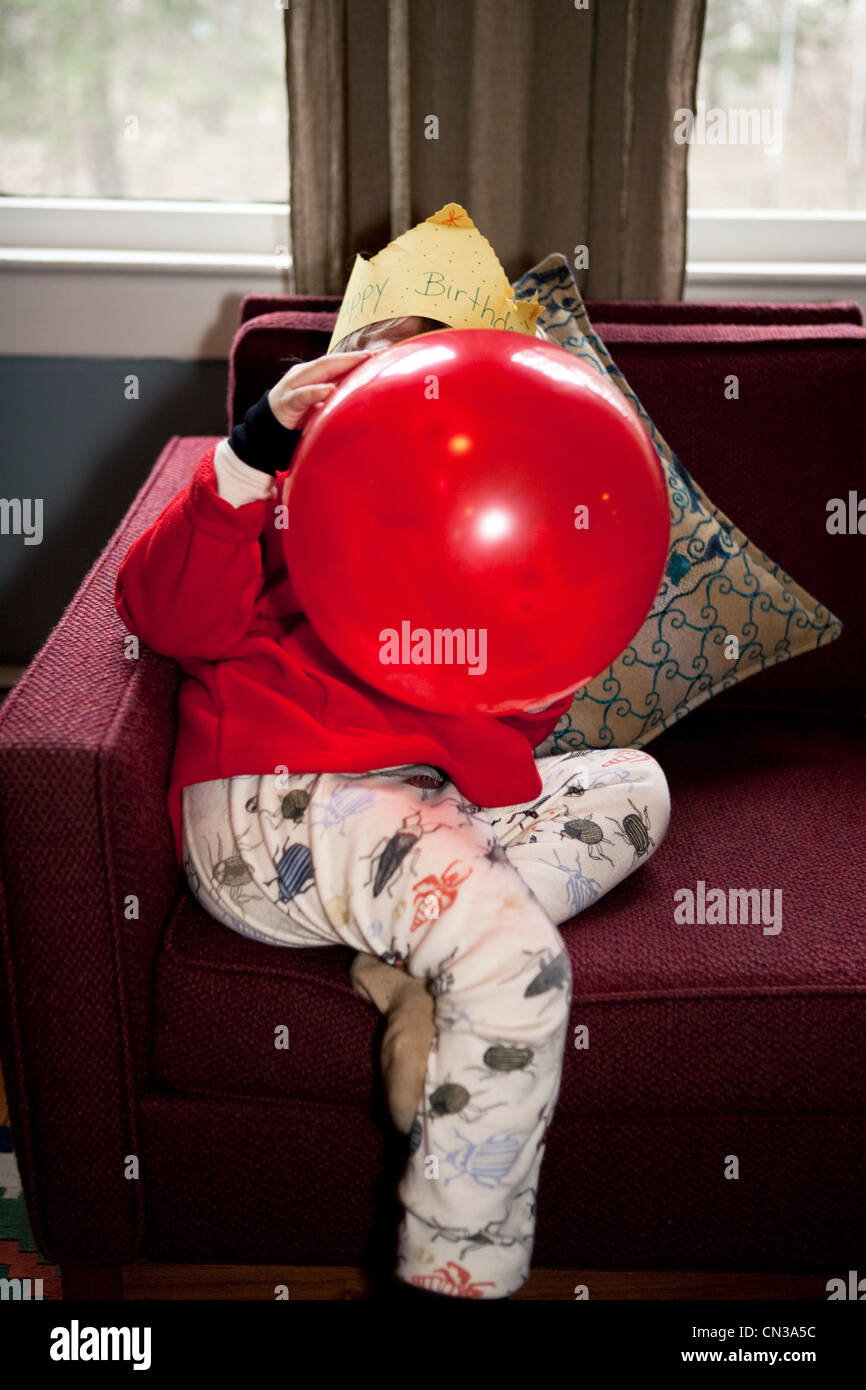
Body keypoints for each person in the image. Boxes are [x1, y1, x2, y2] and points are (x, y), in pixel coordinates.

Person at [114, 205, 671, 1300]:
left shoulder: (489, 520)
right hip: (274, 808)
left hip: (416, 810)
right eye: (382, 355)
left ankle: (411, 971)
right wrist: (248, 461)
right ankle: (450, 1278)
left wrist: (527, 659)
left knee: (633, 786)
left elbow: (499, 738)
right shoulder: (273, 497)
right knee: (517, 970)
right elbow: (166, 618)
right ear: (338, 373)